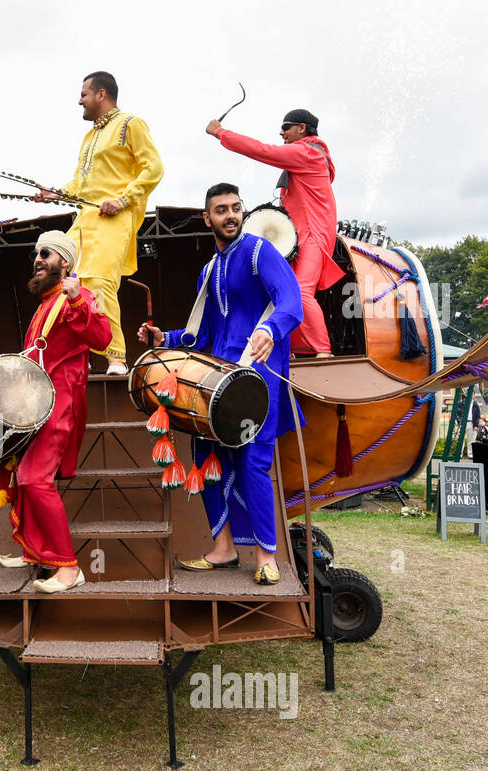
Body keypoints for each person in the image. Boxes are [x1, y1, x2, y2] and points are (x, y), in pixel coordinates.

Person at [138, 183, 303, 584]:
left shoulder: (260, 252)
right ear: (206, 218)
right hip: (212, 383)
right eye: (220, 210)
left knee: (253, 464)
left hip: (255, 380)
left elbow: (291, 302)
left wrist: (269, 328)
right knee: (206, 461)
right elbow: (203, 334)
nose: (230, 215)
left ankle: (267, 556)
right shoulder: (208, 271)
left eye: (235, 208)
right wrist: (167, 339)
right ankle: (223, 548)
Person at [0, 231, 112, 593]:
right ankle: (35, 552)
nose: (37, 258)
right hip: (35, 406)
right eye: (35, 253)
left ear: (65, 262)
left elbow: (102, 338)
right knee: (23, 477)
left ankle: (69, 567)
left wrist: (78, 299)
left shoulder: (77, 296)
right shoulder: (46, 302)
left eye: (45, 253)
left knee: (34, 478)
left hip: (60, 405)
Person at [38, 71, 163, 375]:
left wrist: (122, 199)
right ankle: (65, 351)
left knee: (99, 282)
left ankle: (116, 357)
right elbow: (82, 184)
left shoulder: (131, 124)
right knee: (55, 270)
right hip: (86, 217)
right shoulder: (90, 136)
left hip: (114, 217)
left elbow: (154, 168)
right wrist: (56, 193)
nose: (79, 100)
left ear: (101, 94)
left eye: (84, 94)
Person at [206, 108, 343, 357]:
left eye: (286, 127)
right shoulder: (308, 155)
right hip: (301, 235)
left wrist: (220, 133)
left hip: (312, 234)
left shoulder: (308, 152)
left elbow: (262, 150)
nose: (282, 132)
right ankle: (296, 348)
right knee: (283, 291)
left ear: (302, 129)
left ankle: (323, 352)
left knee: (299, 291)